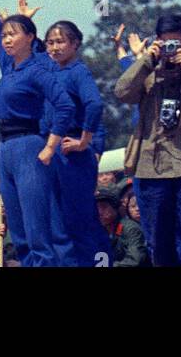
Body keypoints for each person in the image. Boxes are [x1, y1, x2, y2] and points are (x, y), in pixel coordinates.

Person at [0, 0, 76, 267]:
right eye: (5, 35)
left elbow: (65, 106)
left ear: (30, 37)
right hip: (5, 149)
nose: (5, 40)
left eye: (13, 35)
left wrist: (50, 146)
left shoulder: (39, 68)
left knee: (38, 230)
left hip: (31, 146)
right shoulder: (10, 68)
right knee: (18, 231)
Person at [114, 11, 181, 267]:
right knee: (159, 240)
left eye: (175, 43)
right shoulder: (148, 70)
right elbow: (122, 91)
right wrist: (147, 58)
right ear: (157, 40)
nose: (170, 48)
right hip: (152, 167)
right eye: (165, 42)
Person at [41, 15, 108, 268]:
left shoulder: (77, 71)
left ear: (75, 44)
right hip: (53, 150)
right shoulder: (52, 71)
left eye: (60, 42)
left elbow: (95, 104)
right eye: (50, 42)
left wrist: (85, 141)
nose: (54, 47)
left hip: (72, 154)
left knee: (78, 223)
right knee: (57, 223)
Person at [113, 183, 151, 267]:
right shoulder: (123, 225)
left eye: (140, 205)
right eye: (133, 206)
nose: (137, 209)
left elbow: (136, 258)